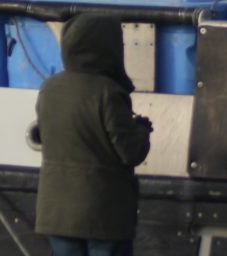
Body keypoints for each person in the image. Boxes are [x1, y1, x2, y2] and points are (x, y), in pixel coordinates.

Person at [36, 14, 153, 256]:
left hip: (55, 210)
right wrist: (142, 130)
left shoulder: (49, 88)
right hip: (102, 213)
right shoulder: (108, 91)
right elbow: (130, 152)